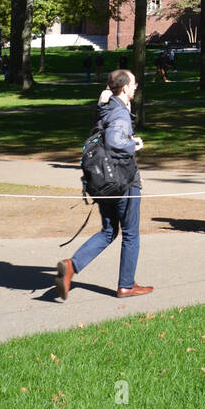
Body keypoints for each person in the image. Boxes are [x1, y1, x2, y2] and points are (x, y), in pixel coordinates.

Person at [55, 70, 152, 300]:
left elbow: (104, 133)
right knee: (130, 234)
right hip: (122, 183)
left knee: (109, 231)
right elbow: (114, 142)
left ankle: (71, 266)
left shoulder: (105, 109)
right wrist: (134, 145)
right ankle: (126, 285)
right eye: (134, 83)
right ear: (125, 87)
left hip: (103, 182)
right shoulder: (120, 113)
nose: (136, 86)